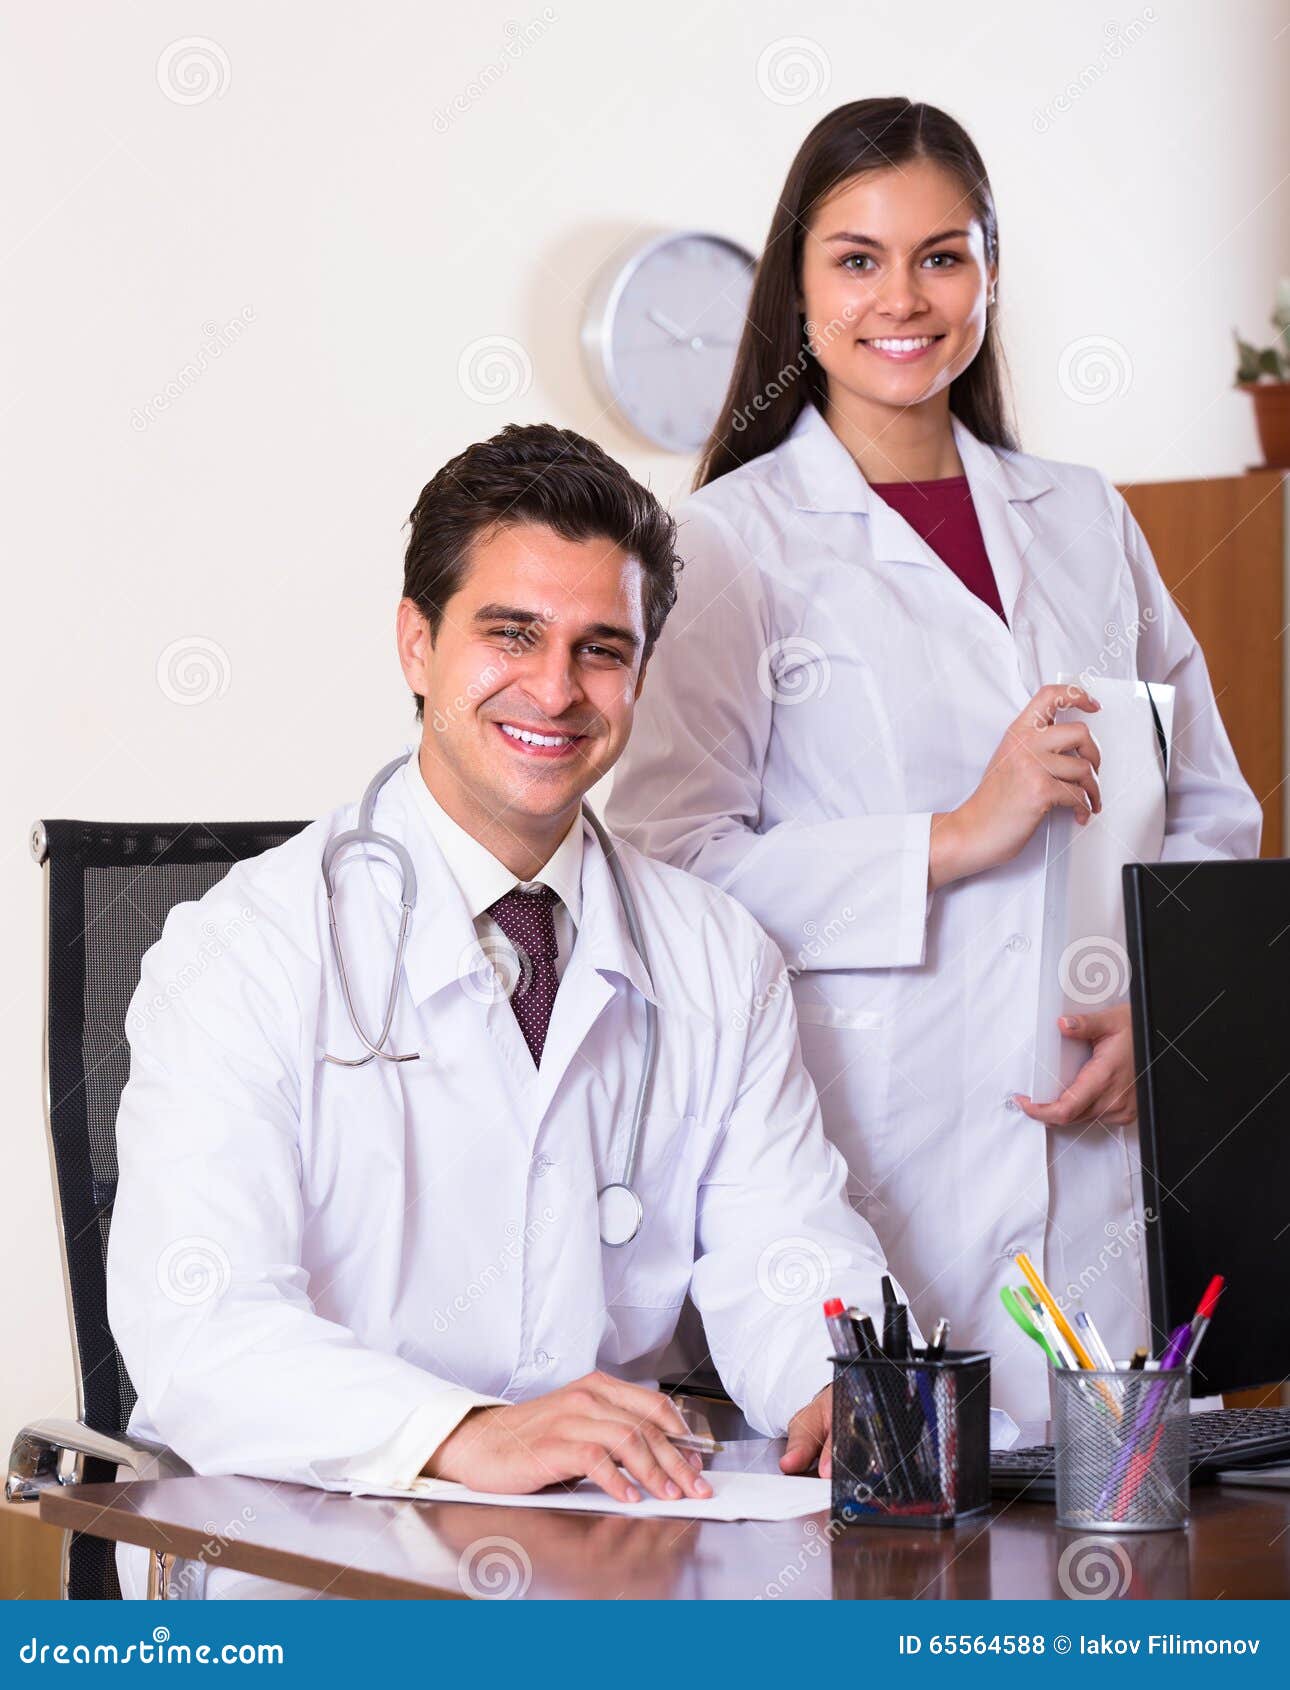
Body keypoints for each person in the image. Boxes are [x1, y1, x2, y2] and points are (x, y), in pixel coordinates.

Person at [106, 422, 907, 1596]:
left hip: (613, 1548)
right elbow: (204, 1328)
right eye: (512, 634)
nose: (555, 688)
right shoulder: (246, 951)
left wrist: (836, 1380)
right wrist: (464, 1428)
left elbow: (783, 1243)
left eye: (602, 649)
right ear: (417, 644)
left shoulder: (715, 955)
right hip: (312, 1555)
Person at [606, 98, 1262, 1426]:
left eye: (939, 255)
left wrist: (1161, 1011)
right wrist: (952, 834)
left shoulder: (1079, 516)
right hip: (871, 1151)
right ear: (796, 288)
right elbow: (670, 869)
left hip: (1096, 1163)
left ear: (988, 273)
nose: (899, 298)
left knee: (1109, 1559)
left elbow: (1206, 805)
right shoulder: (729, 543)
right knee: (909, 1565)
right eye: (855, 258)